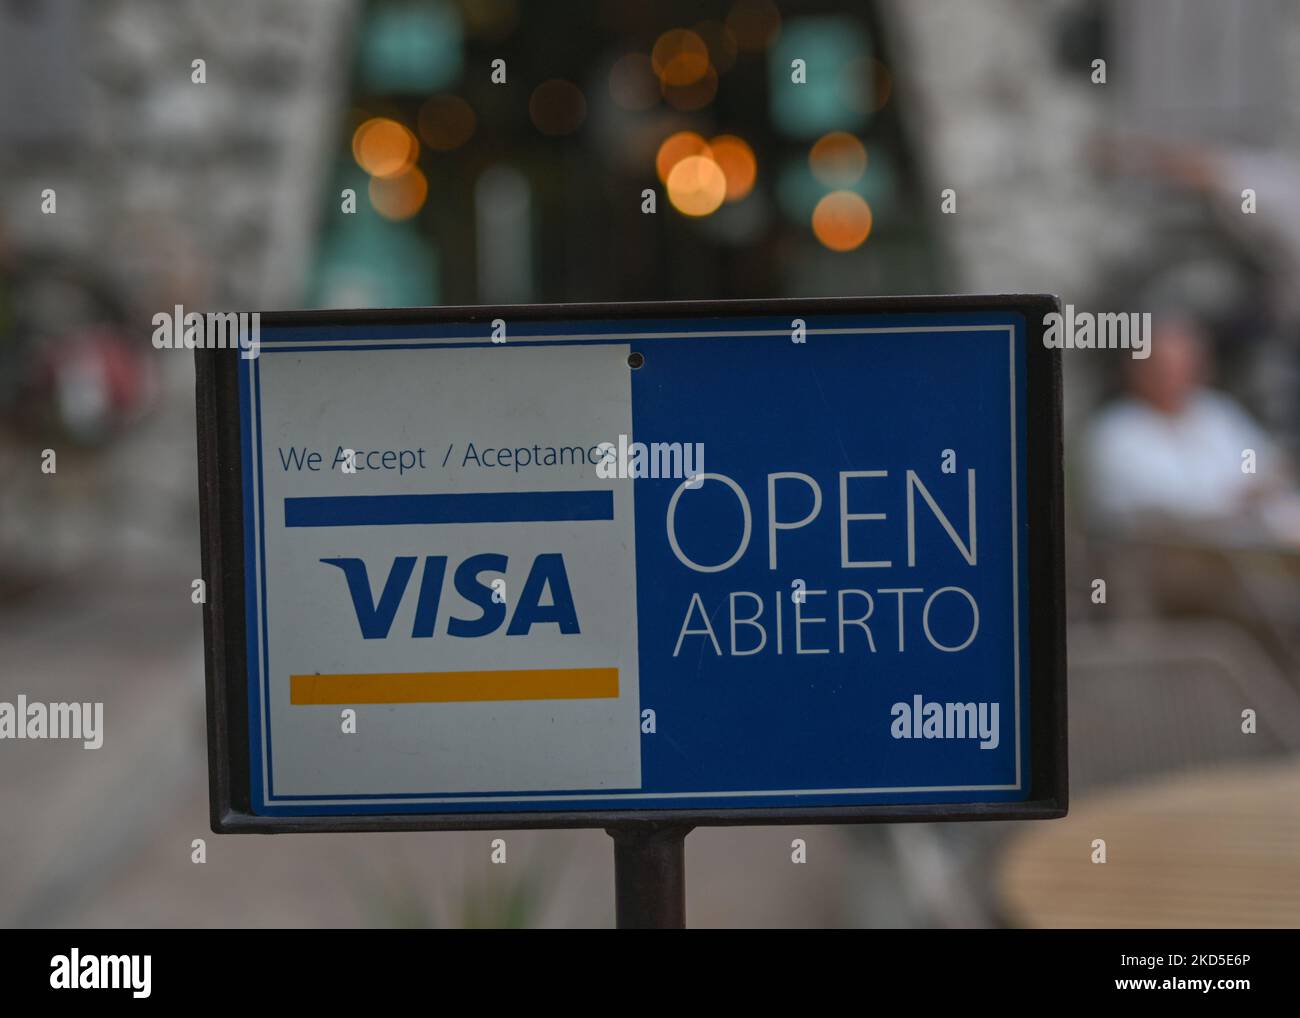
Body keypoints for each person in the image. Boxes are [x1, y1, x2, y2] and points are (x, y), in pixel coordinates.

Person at [1084, 316, 1300, 542]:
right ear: (1136, 368)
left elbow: (1266, 465)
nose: (1175, 375)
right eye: (1163, 366)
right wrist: (1239, 497)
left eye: (1185, 364)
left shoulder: (1218, 413)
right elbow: (1161, 508)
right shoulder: (1114, 432)